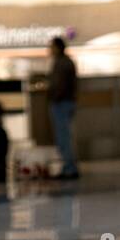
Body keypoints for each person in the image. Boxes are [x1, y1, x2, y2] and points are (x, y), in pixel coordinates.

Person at [47, 37, 79, 180]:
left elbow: (60, 85)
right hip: (66, 102)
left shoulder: (61, 63)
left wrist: (54, 97)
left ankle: (69, 168)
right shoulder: (67, 62)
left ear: (58, 47)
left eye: (51, 46)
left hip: (62, 103)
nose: (49, 50)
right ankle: (69, 166)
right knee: (65, 136)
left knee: (63, 137)